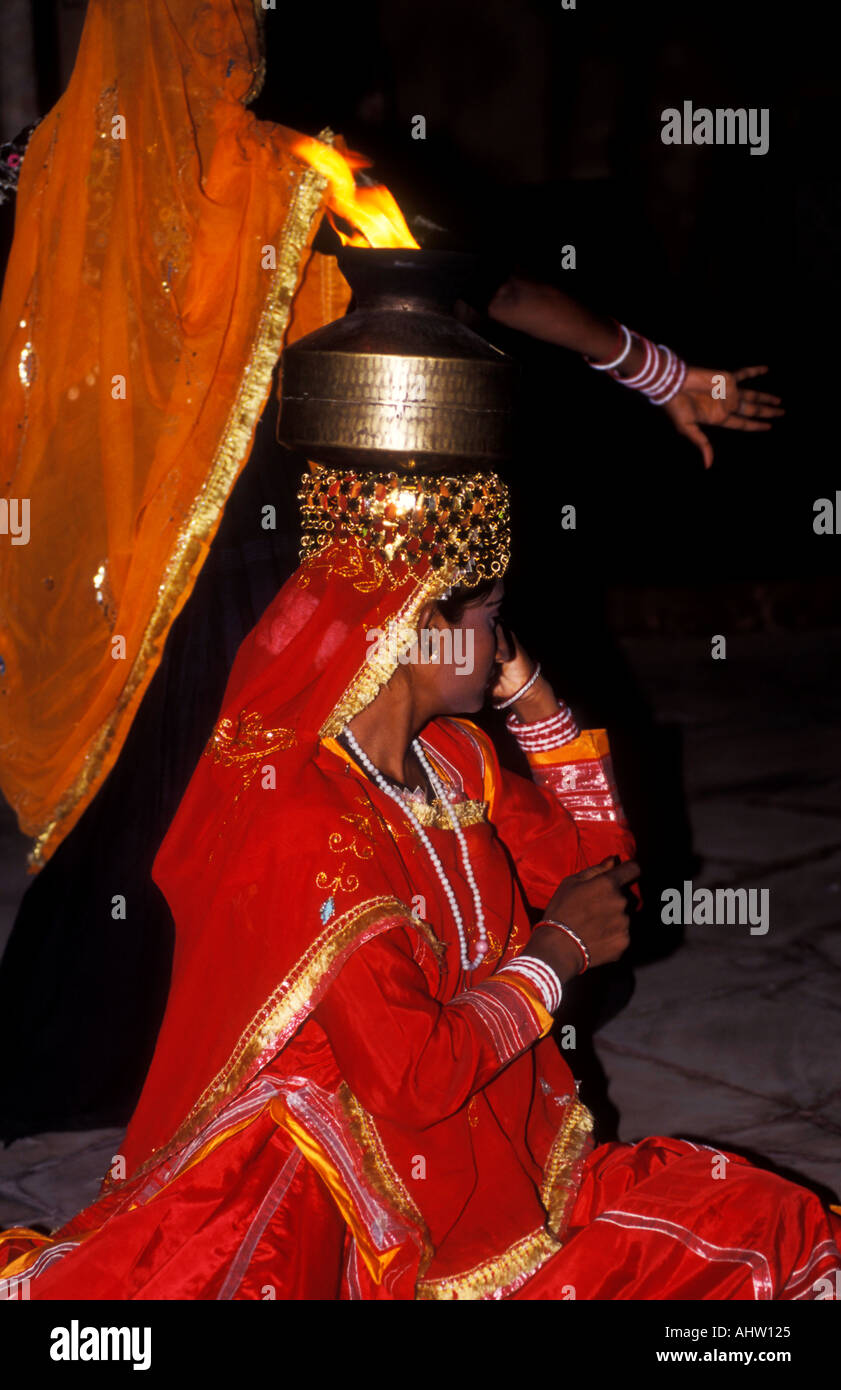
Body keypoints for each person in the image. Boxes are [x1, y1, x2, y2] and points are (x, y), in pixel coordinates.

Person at [1, 466, 838, 1300]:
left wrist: (536, 703)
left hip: (499, 1153)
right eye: (489, 620)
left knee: (777, 1228)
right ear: (411, 630)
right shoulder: (309, 828)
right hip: (359, 1199)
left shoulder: (452, 761)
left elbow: (601, 877)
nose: (502, 644)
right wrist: (555, 954)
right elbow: (412, 1079)